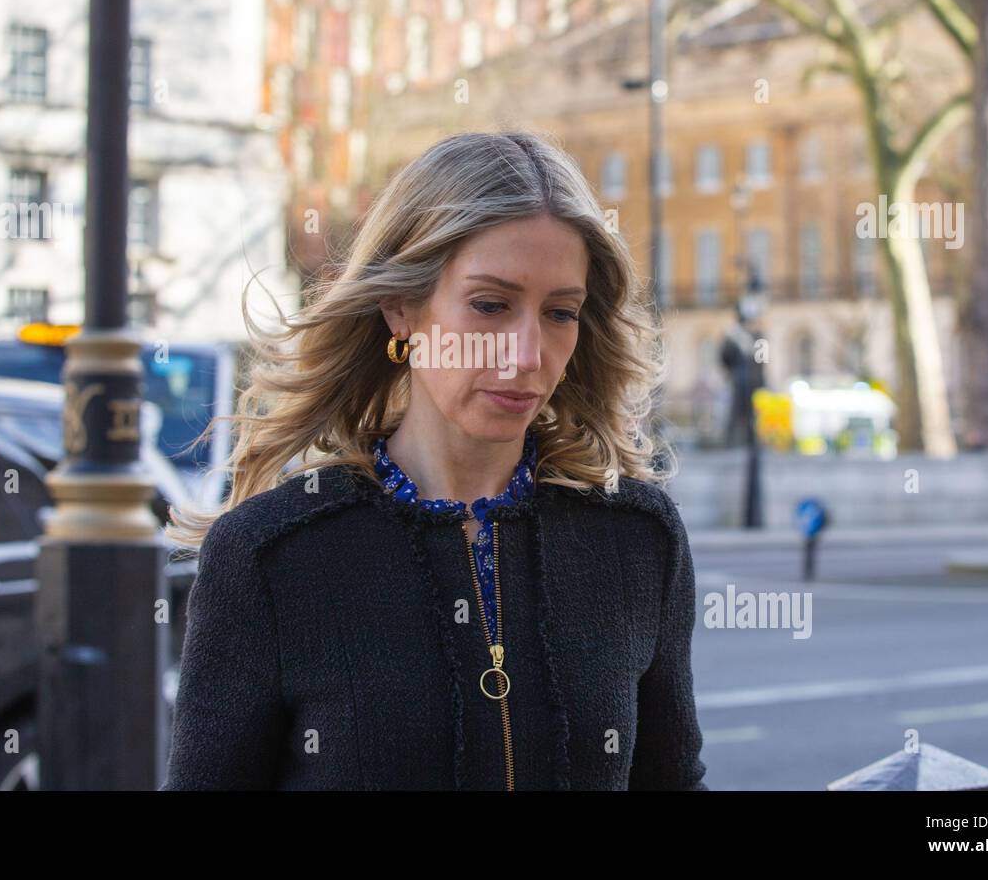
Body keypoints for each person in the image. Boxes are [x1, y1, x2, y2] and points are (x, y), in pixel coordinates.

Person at [160, 130, 707, 791]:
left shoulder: (638, 537)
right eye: (490, 305)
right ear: (402, 307)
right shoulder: (271, 553)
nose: (526, 354)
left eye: (561, 312)